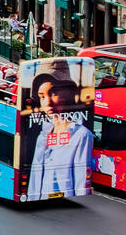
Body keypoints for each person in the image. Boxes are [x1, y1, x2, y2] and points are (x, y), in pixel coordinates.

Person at [25, 67, 94, 199]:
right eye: (42, 96)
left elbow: (81, 178)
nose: (48, 102)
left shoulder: (82, 135)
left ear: (70, 93)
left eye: (54, 93)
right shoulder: (42, 135)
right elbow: (34, 178)